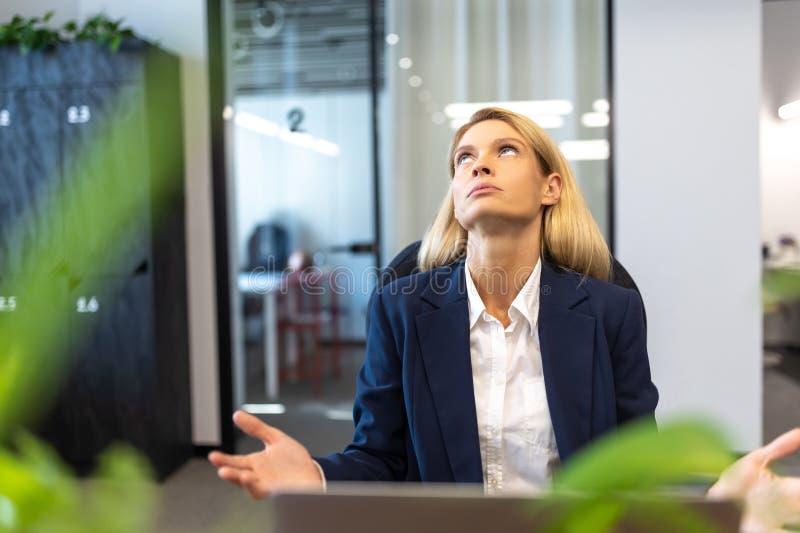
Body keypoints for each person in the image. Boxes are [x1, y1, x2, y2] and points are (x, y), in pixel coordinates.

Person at [210, 106, 658, 493]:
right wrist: (317, 476)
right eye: (465, 158)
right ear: (457, 199)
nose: (479, 166)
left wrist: (714, 496)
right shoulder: (401, 311)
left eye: (505, 151)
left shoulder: (610, 312)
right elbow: (381, 458)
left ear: (551, 188)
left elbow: (640, 467)